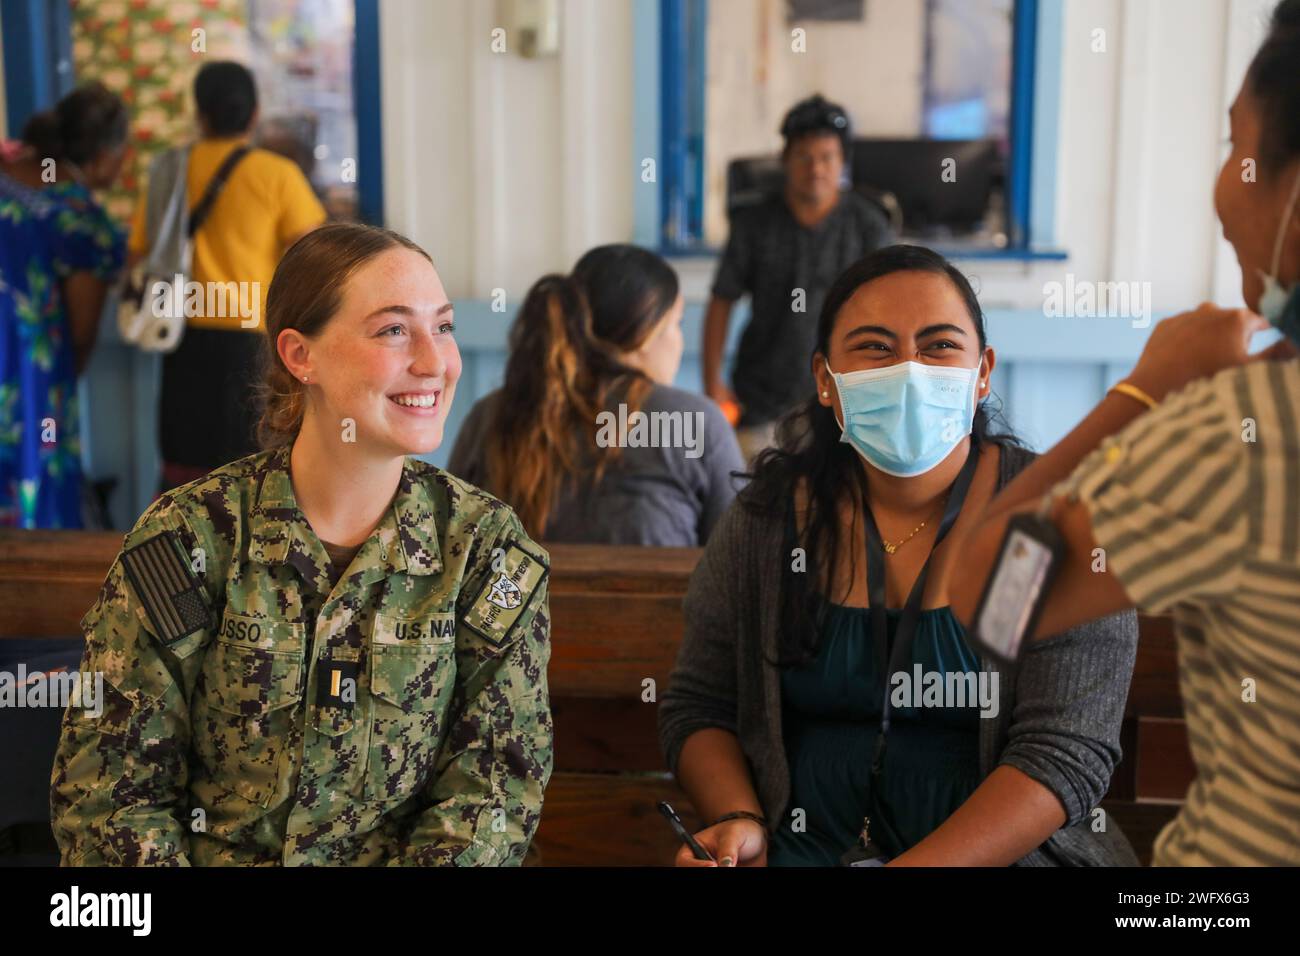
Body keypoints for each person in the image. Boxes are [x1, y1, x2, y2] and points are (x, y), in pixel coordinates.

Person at [50, 223, 553, 866]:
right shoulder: (190, 540)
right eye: (394, 330)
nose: (435, 360)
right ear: (300, 355)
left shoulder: (483, 551)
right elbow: (112, 794)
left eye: (445, 326)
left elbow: (494, 794)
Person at [946, 0, 1300, 867]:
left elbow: (988, 595)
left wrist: (1142, 392)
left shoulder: (1246, 439)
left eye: (1235, 149)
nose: (1222, 192)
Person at [659, 245, 1140, 867]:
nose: (909, 370)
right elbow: (700, 702)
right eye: (875, 348)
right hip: (800, 848)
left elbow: (1063, 754)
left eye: (939, 345)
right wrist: (739, 819)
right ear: (826, 380)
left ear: (983, 372)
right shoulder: (769, 521)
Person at [449, 244, 744, 547]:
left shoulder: (489, 415)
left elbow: (450, 542)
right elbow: (739, 559)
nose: (680, 342)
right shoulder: (696, 422)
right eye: (676, 324)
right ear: (646, 334)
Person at [127, 60, 326, 490]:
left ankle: (184, 551)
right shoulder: (278, 176)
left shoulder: (168, 170)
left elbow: (139, 251)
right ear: (254, 114)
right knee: (256, 467)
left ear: (199, 114)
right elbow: (314, 258)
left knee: (187, 468)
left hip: (182, 336)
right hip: (254, 341)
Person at [704, 94, 894, 464]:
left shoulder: (868, 224)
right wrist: (713, 382)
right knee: (752, 506)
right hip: (759, 398)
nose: (816, 169)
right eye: (804, 157)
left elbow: (891, 309)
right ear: (785, 160)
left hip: (846, 405)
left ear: (842, 163)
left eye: (827, 158)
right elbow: (721, 299)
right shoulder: (754, 223)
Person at [0, 83, 128, 529]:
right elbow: (80, 333)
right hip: (23, 377)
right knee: (31, 513)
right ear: (107, 153)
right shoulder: (80, 219)